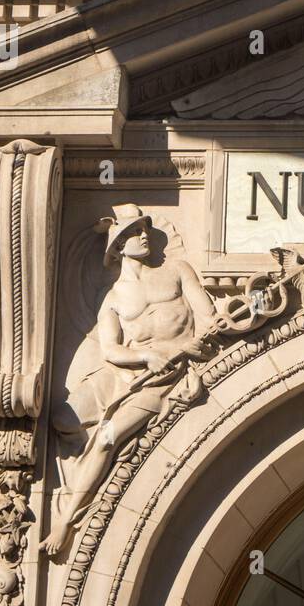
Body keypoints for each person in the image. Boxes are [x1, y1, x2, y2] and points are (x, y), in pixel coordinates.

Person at [41, 204, 215, 557]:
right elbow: (111, 349)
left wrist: (196, 341)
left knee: (108, 437)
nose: (144, 235)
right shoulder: (114, 299)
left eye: (145, 228)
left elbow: (207, 316)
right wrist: (146, 356)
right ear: (118, 246)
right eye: (134, 232)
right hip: (131, 374)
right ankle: (75, 497)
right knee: (64, 420)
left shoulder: (177, 270)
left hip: (167, 377)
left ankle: (65, 519)